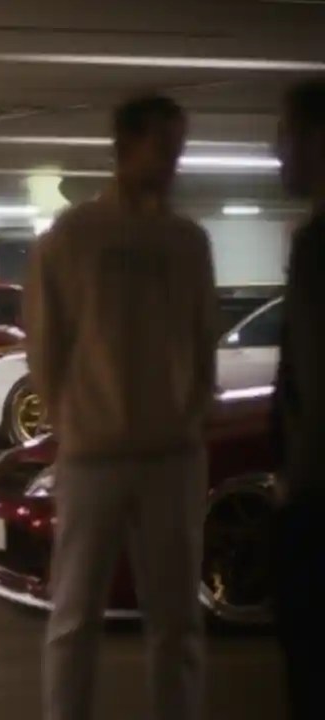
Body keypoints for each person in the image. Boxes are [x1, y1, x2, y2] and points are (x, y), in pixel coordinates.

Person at [27, 95, 217, 720]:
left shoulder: (186, 242)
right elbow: (47, 345)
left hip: (172, 456)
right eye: (163, 146)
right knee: (76, 614)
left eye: (178, 147)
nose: (173, 161)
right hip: (93, 457)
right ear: (125, 146)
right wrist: (72, 422)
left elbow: (202, 340)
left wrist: (191, 423)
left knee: (176, 620)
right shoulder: (72, 238)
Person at [270, 79, 325, 720]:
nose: (278, 153)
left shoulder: (322, 250)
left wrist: (295, 488)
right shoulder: (312, 242)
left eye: (286, 136)